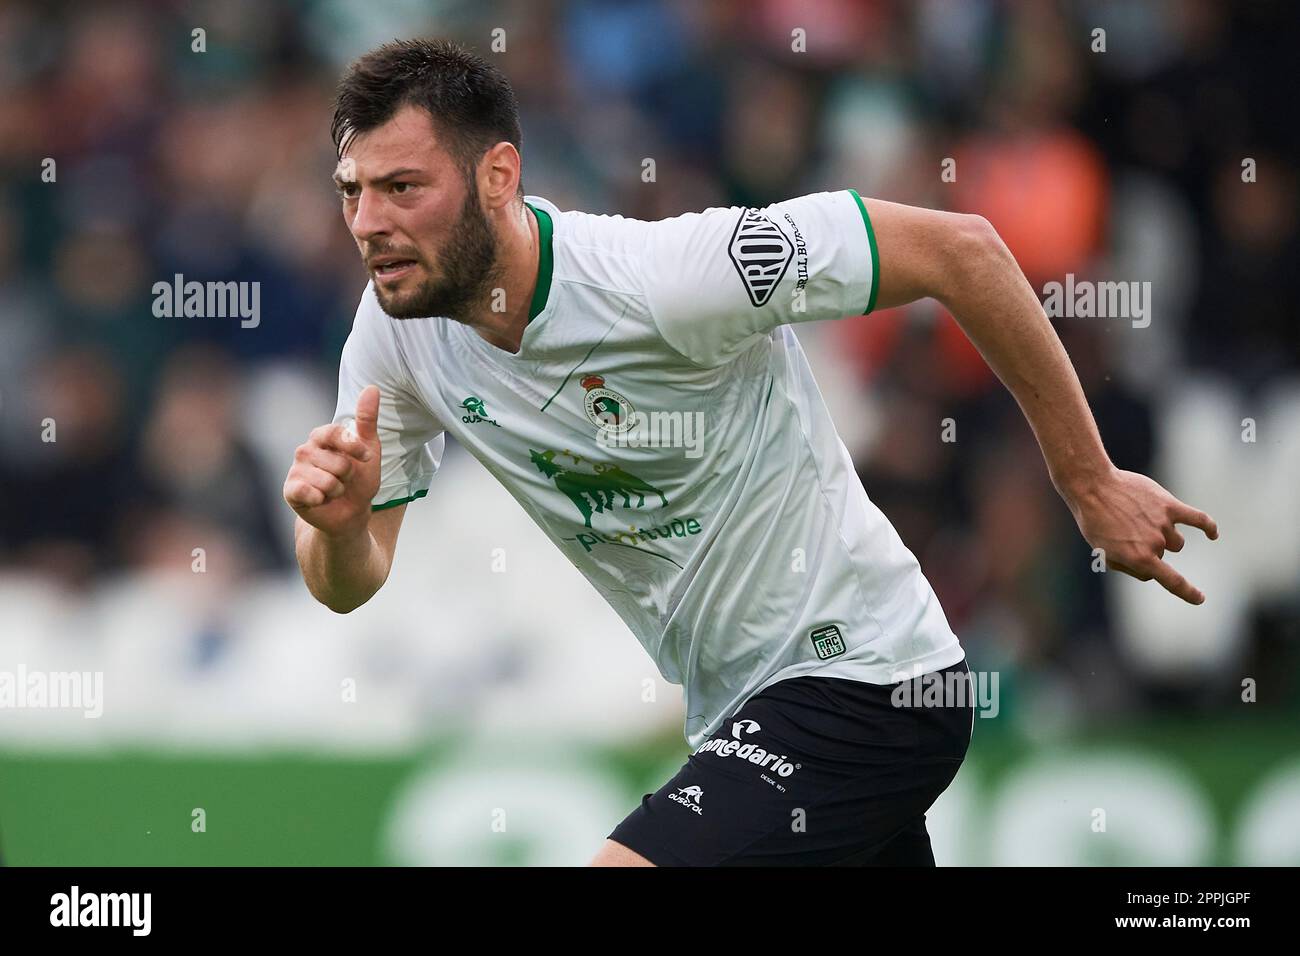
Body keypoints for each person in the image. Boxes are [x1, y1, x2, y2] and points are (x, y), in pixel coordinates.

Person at [283, 39, 1218, 866]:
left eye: (403, 187)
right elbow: (352, 581)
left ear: (497, 177)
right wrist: (334, 527)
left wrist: (1086, 480)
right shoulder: (394, 332)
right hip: (740, 717)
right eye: (351, 192)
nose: (368, 222)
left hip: (868, 682)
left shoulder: (674, 279)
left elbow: (963, 250)